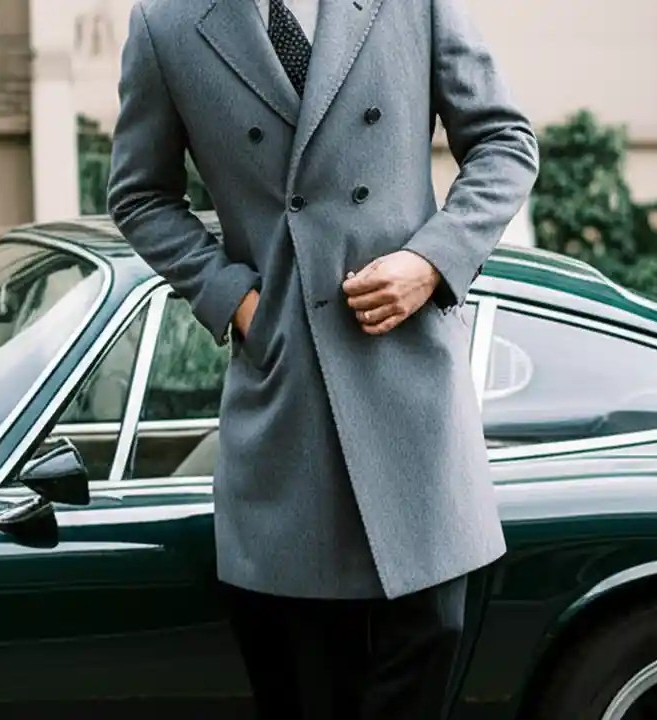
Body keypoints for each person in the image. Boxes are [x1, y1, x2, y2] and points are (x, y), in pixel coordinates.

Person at [107, 0, 538, 716]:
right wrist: (239, 301)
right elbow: (139, 195)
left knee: (422, 656)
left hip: (411, 394)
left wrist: (432, 261)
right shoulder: (167, 23)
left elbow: (504, 142)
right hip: (284, 413)